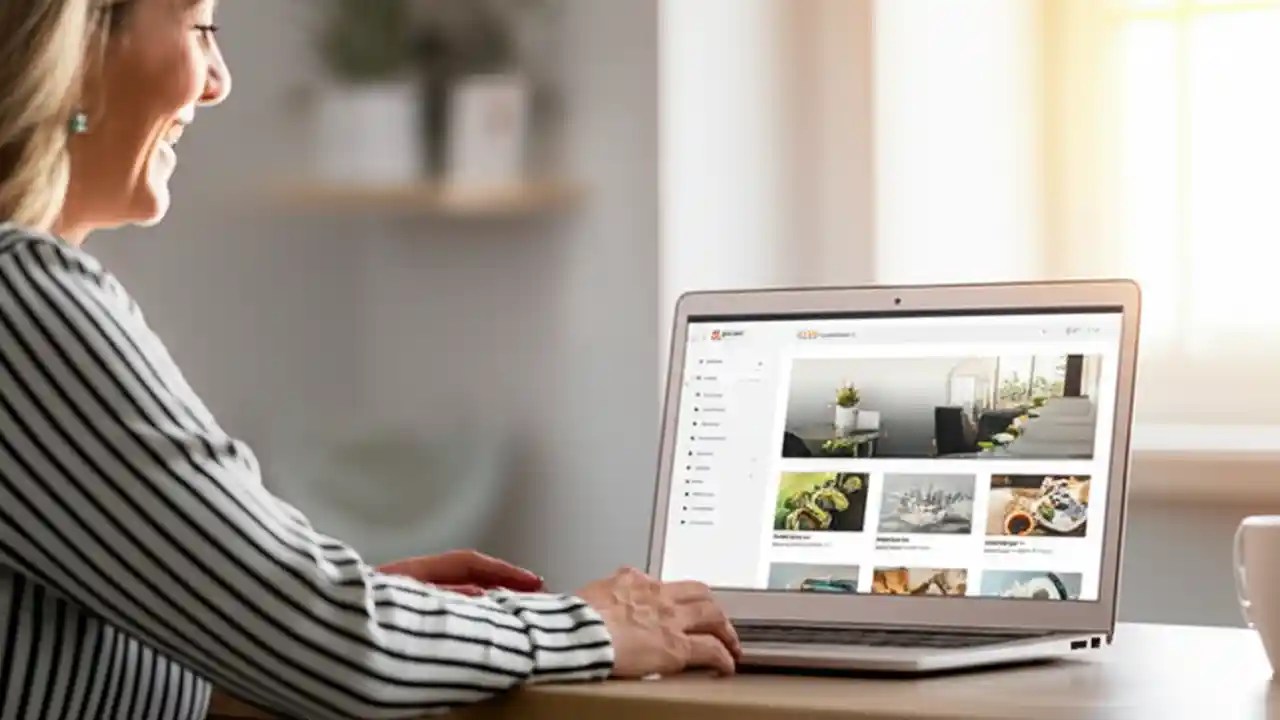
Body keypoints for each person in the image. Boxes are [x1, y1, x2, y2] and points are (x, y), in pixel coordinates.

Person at [0, 1, 739, 718]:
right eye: (199, 26)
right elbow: (329, 645)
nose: (218, 79)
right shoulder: (24, 297)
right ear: (79, 42)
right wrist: (588, 627)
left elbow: (291, 634)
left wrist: (374, 618)